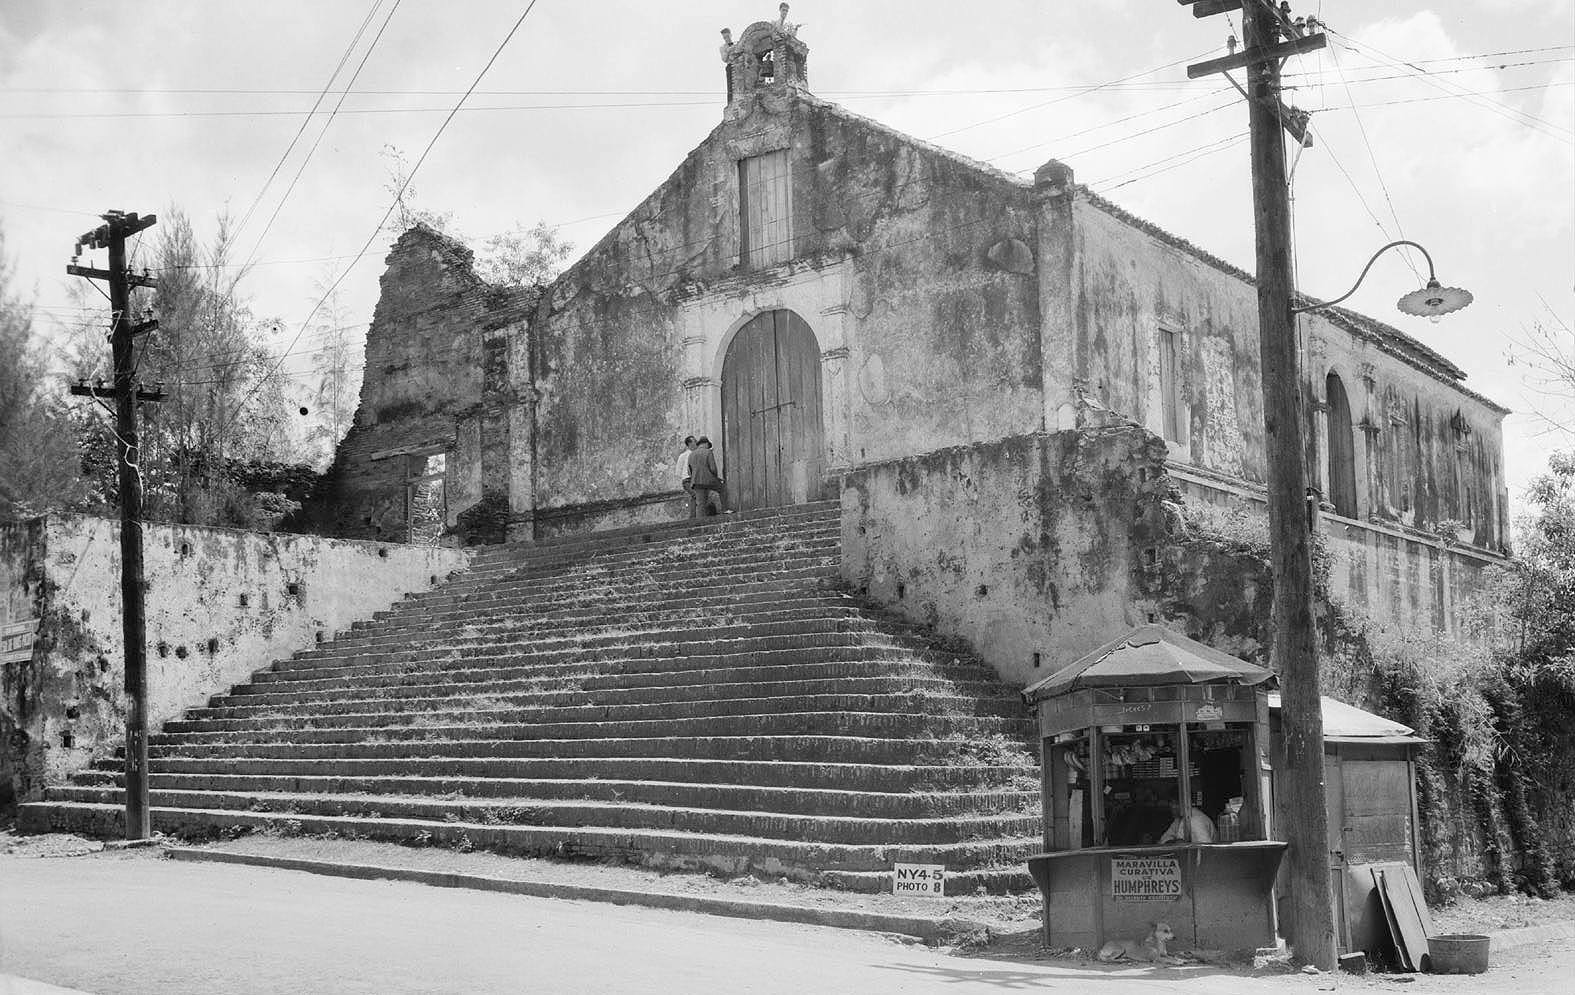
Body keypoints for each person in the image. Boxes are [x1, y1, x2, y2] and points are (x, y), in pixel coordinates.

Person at [687, 436, 725, 518]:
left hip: (696, 482)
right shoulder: (708, 452)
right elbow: (713, 468)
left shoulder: (691, 455)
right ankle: (725, 510)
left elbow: (689, 472)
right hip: (708, 480)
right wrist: (716, 478)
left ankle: (700, 521)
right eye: (708, 445)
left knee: (700, 503)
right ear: (706, 444)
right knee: (722, 489)